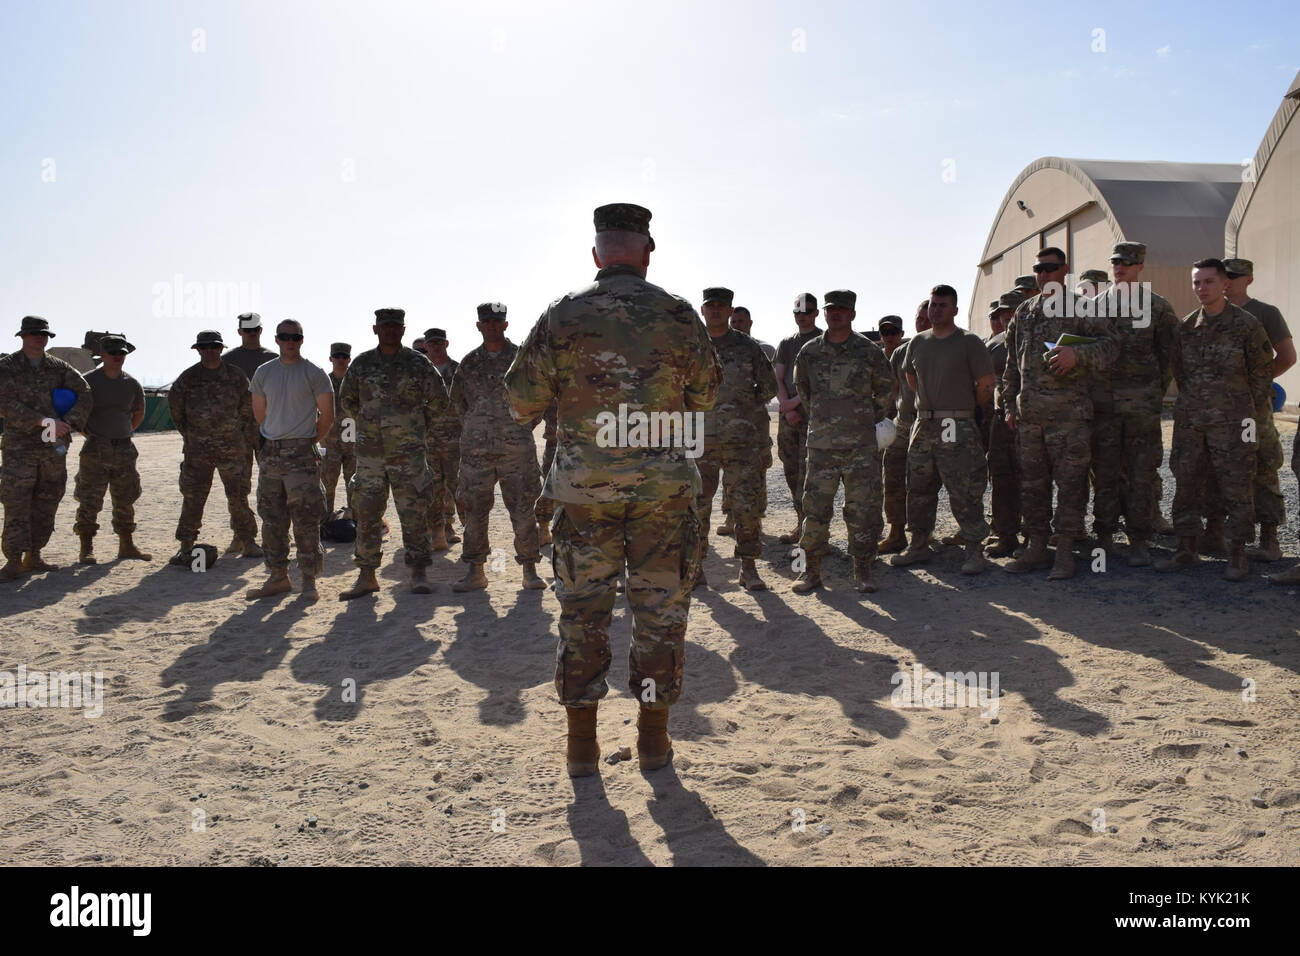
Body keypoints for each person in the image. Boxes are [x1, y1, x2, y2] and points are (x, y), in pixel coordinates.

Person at [505, 202, 720, 776]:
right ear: (647, 251)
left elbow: (522, 401)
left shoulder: (563, 315)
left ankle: (582, 749)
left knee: (582, 613)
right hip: (662, 494)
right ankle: (653, 742)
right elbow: (704, 399)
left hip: (584, 493)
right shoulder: (678, 316)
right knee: (660, 614)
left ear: (596, 252)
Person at [1002, 246, 1117, 579]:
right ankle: (1037, 547)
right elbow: (1012, 364)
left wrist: (1076, 356)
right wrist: (1010, 404)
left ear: (1064, 270)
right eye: (1038, 269)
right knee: (1033, 486)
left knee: (1070, 486)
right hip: (1030, 418)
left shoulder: (1082, 308)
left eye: (1050, 268)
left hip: (1069, 417)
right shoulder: (1024, 312)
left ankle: (1065, 551)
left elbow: (1111, 347)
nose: (1043, 275)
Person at [1156, 259, 1272, 581]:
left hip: (1234, 423)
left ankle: (1237, 554)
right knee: (1187, 483)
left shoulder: (1246, 326)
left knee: (1236, 486)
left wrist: (1243, 408)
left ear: (1224, 284)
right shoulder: (1186, 327)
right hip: (1191, 422)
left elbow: (1262, 373)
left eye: (1208, 282)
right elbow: (1180, 372)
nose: (1201, 289)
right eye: (1196, 283)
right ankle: (1186, 548)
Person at [337, 309, 450, 598]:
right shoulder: (362, 364)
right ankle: (367, 575)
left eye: (395, 327)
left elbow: (439, 400)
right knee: (367, 514)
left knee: (413, 513)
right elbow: (347, 399)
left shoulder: (418, 363)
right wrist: (369, 423)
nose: (389, 331)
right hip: (371, 456)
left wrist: (416, 425)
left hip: (408, 455)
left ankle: (419, 572)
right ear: (375, 329)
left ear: (402, 330)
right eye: (384, 327)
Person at [791, 290, 894, 593]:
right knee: (815, 509)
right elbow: (803, 390)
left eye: (842, 310)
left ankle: (862, 571)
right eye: (830, 309)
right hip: (821, 445)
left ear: (852, 315)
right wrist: (823, 419)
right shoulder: (809, 352)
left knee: (862, 509)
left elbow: (886, 389)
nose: (835, 314)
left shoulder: (868, 351)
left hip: (859, 446)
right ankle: (811, 572)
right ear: (824, 313)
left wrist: (863, 419)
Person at [1086, 242, 1179, 567]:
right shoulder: (1093, 307)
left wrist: (1154, 391)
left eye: (1126, 263)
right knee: (1106, 473)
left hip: (1141, 408)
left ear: (1140, 266)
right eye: (1115, 262)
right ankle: (1105, 536)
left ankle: (1140, 538)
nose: (1120, 267)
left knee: (1141, 473)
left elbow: (1171, 354)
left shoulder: (1157, 307)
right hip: (1105, 408)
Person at [892, 285, 996, 574]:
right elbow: (912, 379)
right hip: (923, 423)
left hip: (955, 423)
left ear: (955, 310)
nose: (935, 310)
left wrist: (961, 410)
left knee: (962, 486)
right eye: (932, 305)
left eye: (942, 305)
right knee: (919, 487)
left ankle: (974, 549)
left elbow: (986, 385)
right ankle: (919, 544)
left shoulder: (969, 342)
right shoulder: (918, 343)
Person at [451, 303, 546, 592]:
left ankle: (529, 570)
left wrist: (521, 428)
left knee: (522, 509)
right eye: (486, 322)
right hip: (477, 452)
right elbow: (457, 402)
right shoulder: (469, 363)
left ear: (505, 325)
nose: (492, 326)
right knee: (475, 510)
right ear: (478, 326)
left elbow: (540, 398)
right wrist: (475, 428)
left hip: (516, 450)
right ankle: (475, 571)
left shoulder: (521, 360)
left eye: (497, 321)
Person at [695, 287, 778, 590]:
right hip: (699, 440)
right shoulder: (692, 345)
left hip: (741, 441)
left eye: (721, 306)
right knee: (697, 506)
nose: (715, 311)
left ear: (731, 312)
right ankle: (695, 568)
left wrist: (744, 405)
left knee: (746, 505)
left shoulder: (747, 347)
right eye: (710, 306)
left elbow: (768, 385)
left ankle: (749, 567)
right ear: (702, 310)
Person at [246, 319, 334, 600]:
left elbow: (328, 416)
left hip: (301, 455)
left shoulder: (314, 373)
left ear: (302, 340)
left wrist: (307, 441)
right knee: (272, 518)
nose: (290, 341)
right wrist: (279, 436)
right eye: (285, 337)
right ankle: (278, 577)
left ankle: (309, 580)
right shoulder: (264, 372)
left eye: (295, 337)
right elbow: (260, 415)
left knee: (306, 518)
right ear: (276, 339)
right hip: (271, 453)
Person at [1214, 258, 1294, 563]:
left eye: (1233, 277)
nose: (1228, 282)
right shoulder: (1210, 314)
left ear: (1248, 279)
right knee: (1220, 468)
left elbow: (1287, 356)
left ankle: (1269, 539)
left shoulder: (1264, 313)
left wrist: (1258, 383)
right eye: (1224, 276)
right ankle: (1221, 533)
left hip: (1252, 408)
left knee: (1262, 468)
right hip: (1218, 408)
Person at [0, 316, 91, 580]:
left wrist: (68, 422)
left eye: (44, 335)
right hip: (20, 447)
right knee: (16, 502)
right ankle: (14, 560)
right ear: (22, 336)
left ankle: (34, 555)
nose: (40, 338)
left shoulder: (58, 368)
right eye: (34, 334)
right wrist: (40, 420)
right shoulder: (7, 368)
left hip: (52, 447)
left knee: (47, 500)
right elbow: (3, 402)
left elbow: (84, 393)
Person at [168, 331, 261, 563]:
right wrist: (194, 435)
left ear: (221, 349)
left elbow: (248, 409)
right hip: (198, 451)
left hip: (233, 449)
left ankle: (247, 541)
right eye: (204, 347)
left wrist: (239, 435)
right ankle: (186, 545)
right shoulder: (187, 379)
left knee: (238, 496)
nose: (209, 350)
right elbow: (177, 412)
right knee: (193, 497)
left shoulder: (236, 376)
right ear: (198, 350)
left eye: (214, 346)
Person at [73, 334, 152, 564]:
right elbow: (78, 416)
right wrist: (96, 436)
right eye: (113, 353)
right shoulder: (87, 382)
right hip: (96, 448)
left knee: (125, 497)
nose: (118, 356)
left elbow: (138, 412)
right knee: (89, 498)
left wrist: (122, 432)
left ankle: (126, 546)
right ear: (103, 355)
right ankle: (86, 548)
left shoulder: (131, 384)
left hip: (124, 448)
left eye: (122, 353)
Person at [220, 313, 277, 554]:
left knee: (273, 484)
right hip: (238, 431)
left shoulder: (273, 359)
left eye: (255, 330)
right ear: (239, 332)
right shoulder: (228, 361)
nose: (251, 334)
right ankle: (241, 535)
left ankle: (275, 533)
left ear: (261, 331)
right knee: (237, 485)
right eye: (247, 330)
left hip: (268, 428)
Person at [718, 306, 774, 536]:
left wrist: (748, 404)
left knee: (756, 469)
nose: (737, 325)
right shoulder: (719, 348)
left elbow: (768, 386)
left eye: (742, 321)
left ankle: (755, 517)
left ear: (750, 323)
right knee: (728, 468)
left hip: (755, 422)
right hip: (726, 422)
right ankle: (731, 517)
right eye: (734, 321)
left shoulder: (762, 349)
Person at [772, 294, 822, 545]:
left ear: (816, 313)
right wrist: (786, 405)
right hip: (788, 418)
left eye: (807, 311)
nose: (802, 315)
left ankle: (812, 530)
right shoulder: (786, 343)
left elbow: (819, 381)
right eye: (797, 311)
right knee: (792, 471)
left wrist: (793, 403)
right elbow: (778, 378)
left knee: (810, 475)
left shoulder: (823, 342)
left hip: (813, 416)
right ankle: (800, 522)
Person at [419, 328, 464, 549]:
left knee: (456, 486)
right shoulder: (420, 373)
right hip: (429, 441)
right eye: (431, 344)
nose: (436, 347)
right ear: (426, 347)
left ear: (446, 344)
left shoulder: (459, 371)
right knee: (433, 487)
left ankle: (450, 525)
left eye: (439, 343)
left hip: (456, 441)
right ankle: (437, 531)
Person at [984, 298, 1020, 556]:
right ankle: (1005, 534)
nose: (1006, 317)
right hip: (1000, 420)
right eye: (1002, 313)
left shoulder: (1035, 338)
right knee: (1000, 477)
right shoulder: (993, 344)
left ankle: (1034, 537)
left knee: (1032, 479)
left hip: (1030, 419)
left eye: (1011, 312)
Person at [876, 315, 907, 553]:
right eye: (885, 332)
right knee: (877, 480)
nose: (889, 336)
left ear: (901, 332)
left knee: (906, 480)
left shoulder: (909, 353)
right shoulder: (873, 356)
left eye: (893, 332)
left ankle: (915, 532)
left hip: (903, 424)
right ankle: (886, 530)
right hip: (876, 424)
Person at [320, 342, 357, 516]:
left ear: (349, 359)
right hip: (330, 444)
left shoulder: (356, 383)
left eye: (344, 357)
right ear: (331, 358)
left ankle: (354, 518)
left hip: (353, 444)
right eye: (337, 356)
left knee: (355, 484)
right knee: (327, 484)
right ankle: (325, 520)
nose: (341, 360)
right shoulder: (323, 384)